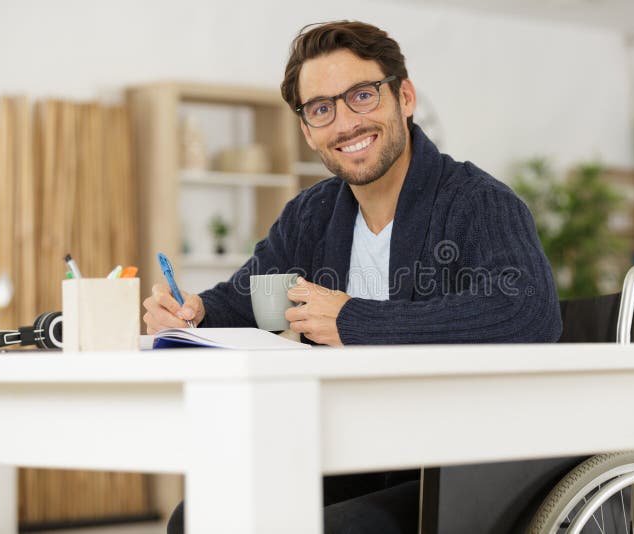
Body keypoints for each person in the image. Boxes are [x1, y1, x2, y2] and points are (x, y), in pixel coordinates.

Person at [144, 20, 561, 534]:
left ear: (404, 97)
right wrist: (197, 311)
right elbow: (253, 296)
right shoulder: (311, 214)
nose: (344, 123)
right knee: (200, 516)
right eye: (321, 109)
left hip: (457, 461)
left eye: (362, 95)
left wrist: (354, 321)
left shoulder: (478, 202)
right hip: (355, 450)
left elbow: (527, 312)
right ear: (307, 130)